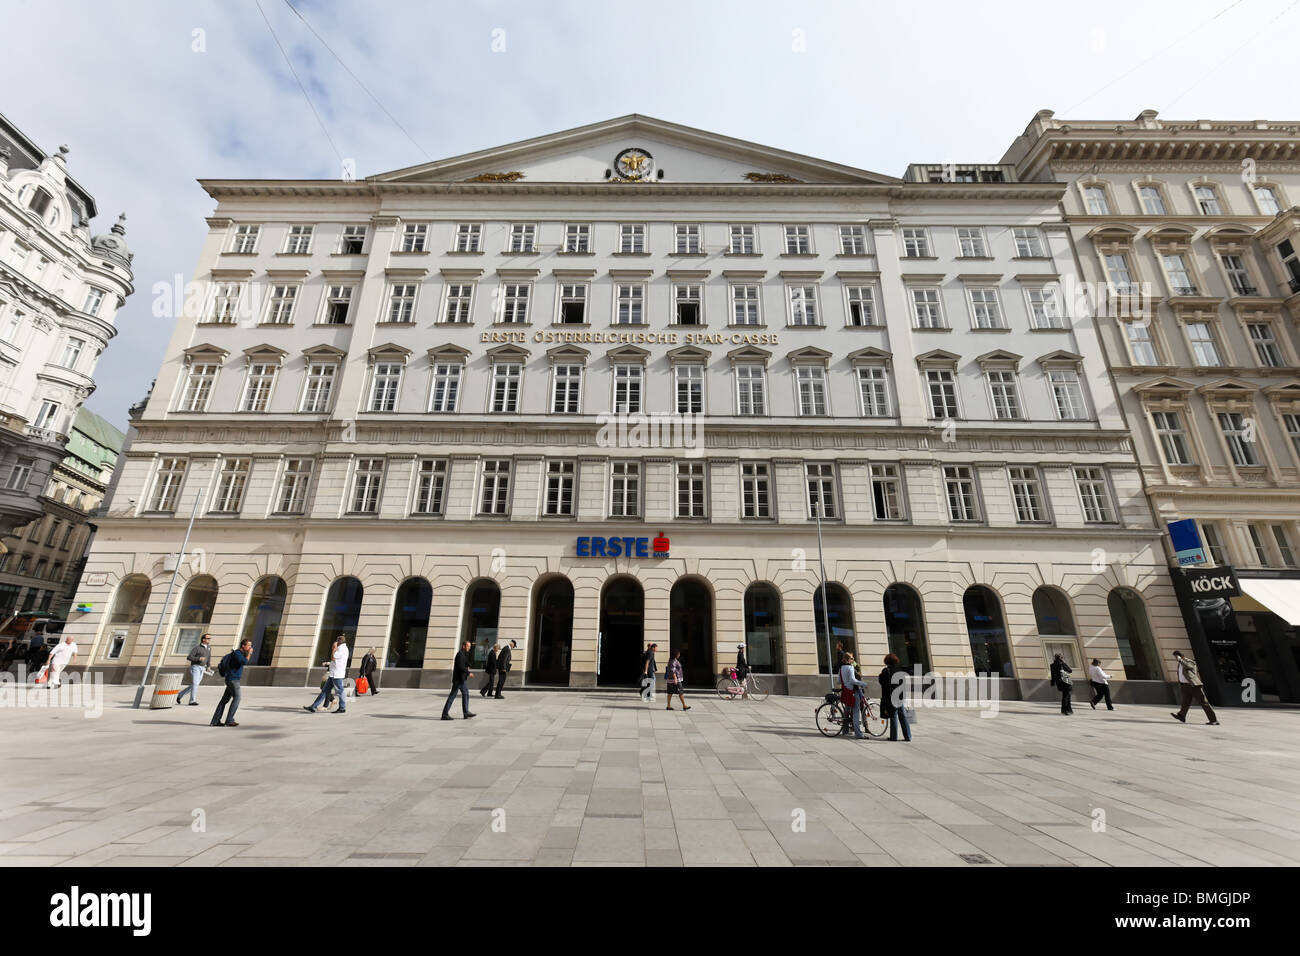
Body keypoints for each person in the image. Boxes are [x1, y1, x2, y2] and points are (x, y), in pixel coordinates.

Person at [211, 638, 252, 727]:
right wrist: (249, 653)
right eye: (248, 645)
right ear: (243, 646)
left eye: (250, 645)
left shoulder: (239, 654)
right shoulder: (237, 653)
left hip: (232, 679)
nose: (250, 647)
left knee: (224, 700)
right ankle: (229, 720)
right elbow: (244, 661)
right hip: (233, 679)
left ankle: (215, 721)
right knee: (237, 698)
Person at [304, 635, 350, 714]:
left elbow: (333, 657)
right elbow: (335, 661)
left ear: (339, 641)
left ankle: (342, 708)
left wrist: (334, 648)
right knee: (325, 690)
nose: (335, 643)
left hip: (337, 674)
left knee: (340, 691)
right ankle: (313, 707)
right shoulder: (343, 648)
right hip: (334, 674)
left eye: (336, 642)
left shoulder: (341, 649)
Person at [1171, 650, 1219, 725]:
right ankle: (1181, 716)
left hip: (1193, 685)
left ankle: (1214, 720)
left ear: (1181, 656)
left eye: (1176, 656)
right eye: (1175, 657)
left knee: (1204, 702)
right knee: (1185, 702)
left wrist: (1181, 660)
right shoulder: (1180, 664)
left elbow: (1188, 666)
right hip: (1185, 686)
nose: (1175, 658)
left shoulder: (1189, 661)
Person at [879, 653, 912, 742]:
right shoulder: (900, 671)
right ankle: (908, 736)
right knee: (903, 716)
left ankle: (894, 737)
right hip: (900, 697)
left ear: (886, 661)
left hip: (891, 697)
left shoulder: (886, 671)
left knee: (893, 716)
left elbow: (881, 682)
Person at [442, 640, 475, 720]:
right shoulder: (460, 654)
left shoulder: (463, 654)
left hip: (462, 679)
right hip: (458, 680)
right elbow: (461, 667)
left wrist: (468, 665)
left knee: (465, 694)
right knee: (452, 696)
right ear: (463, 646)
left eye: (470, 647)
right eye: (468, 646)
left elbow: (466, 663)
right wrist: (468, 672)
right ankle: (445, 714)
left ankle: (466, 712)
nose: (469, 648)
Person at [839, 652, 869, 739]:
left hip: (845, 692)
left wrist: (846, 682)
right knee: (856, 712)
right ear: (848, 660)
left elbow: (838, 681)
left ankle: (845, 730)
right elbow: (853, 680)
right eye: (852, 658)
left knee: (847, 712)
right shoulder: (850, 667)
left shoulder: (841, 668)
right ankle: (858, 734)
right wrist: (863, 683)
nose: (853, 660)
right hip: (852, 692)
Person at [176, 633, 212, 706]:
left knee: (194, 685)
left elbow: (208, 657)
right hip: (195, 667)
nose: (209, 640)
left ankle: (179, 695)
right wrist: (199, 658)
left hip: (202, 668)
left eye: (210, 638)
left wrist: (208, 666)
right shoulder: (197, 648)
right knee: (195, 684)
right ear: (203, 639)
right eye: (208, 638)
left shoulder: (209, 647)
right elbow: (189, 657)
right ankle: (192, 701)